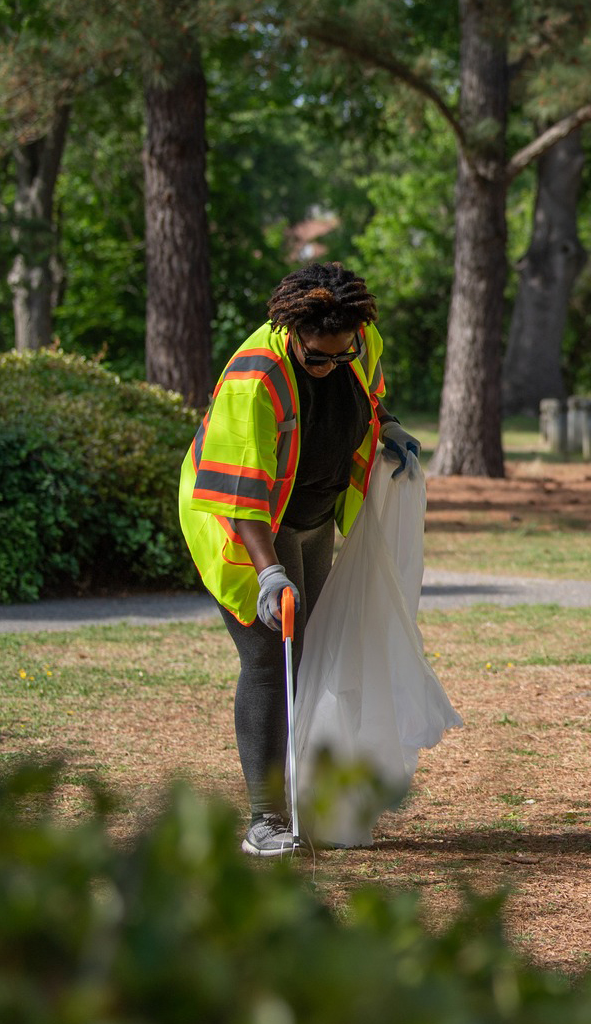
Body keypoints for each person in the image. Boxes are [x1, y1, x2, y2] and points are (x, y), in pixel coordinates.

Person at [177, 262, 420, 857]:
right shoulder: (254, 378)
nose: (334, 365)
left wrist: (387, 427)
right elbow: (239, 493)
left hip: (314, 515)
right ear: (291, 333)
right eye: (319, 359)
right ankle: (265, 819)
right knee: (271, 658)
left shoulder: (357, 338)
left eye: (344, 355)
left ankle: (312, 801)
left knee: (313, 658)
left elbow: (370, 392)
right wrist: (268, 573)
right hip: (249, 525)